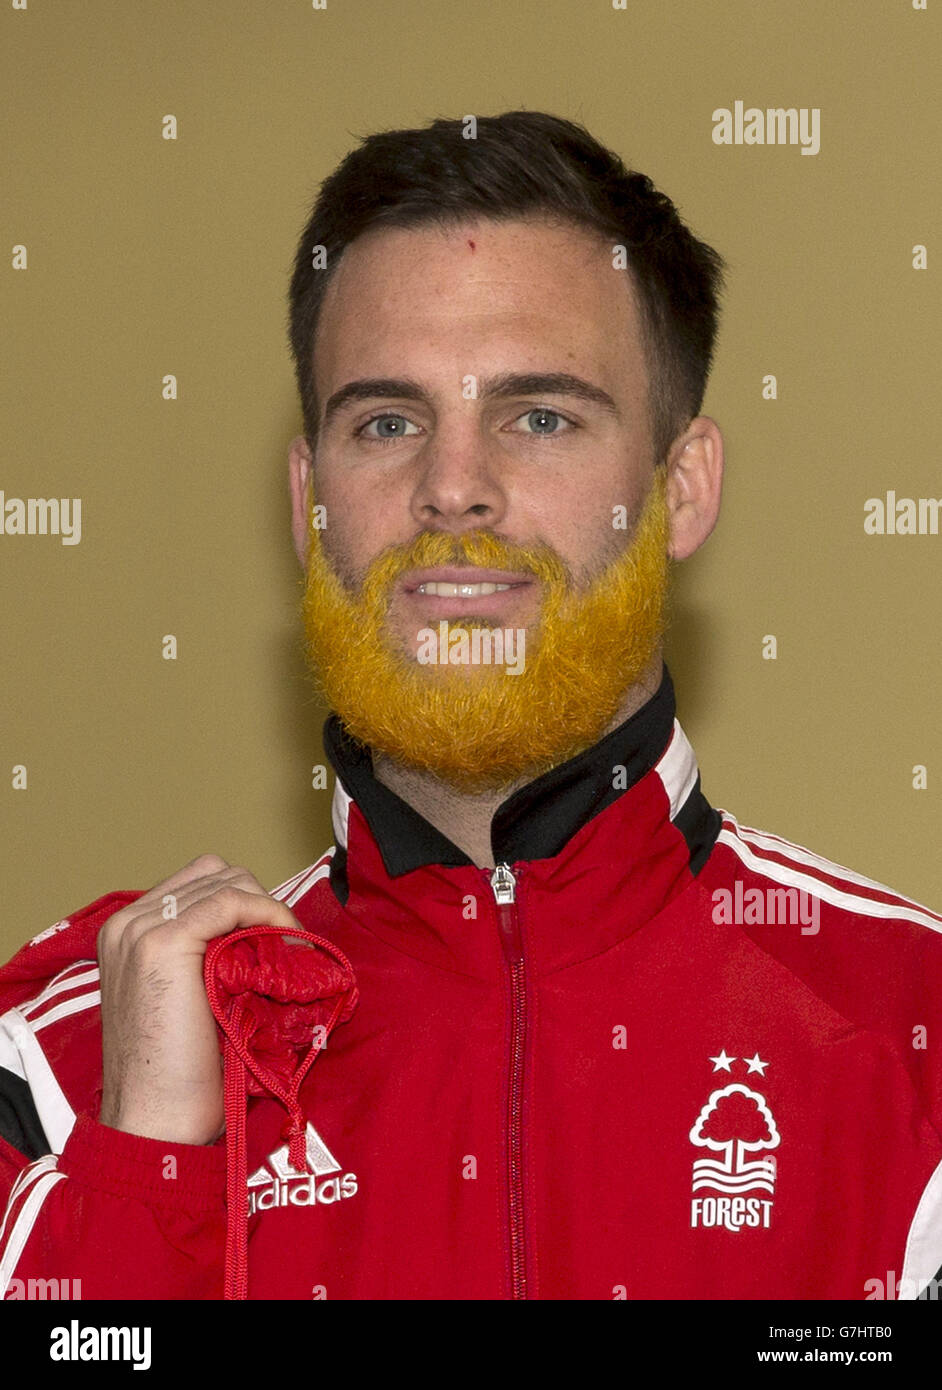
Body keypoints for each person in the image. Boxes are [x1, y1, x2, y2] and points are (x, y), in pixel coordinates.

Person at [1, 110, 940, 1302]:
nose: (452, 488)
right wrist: (144, 1174)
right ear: (309, 502)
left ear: (680, 488)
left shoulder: (916, 1038)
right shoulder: (52, 1062)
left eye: (538, 416)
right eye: (387, 422)